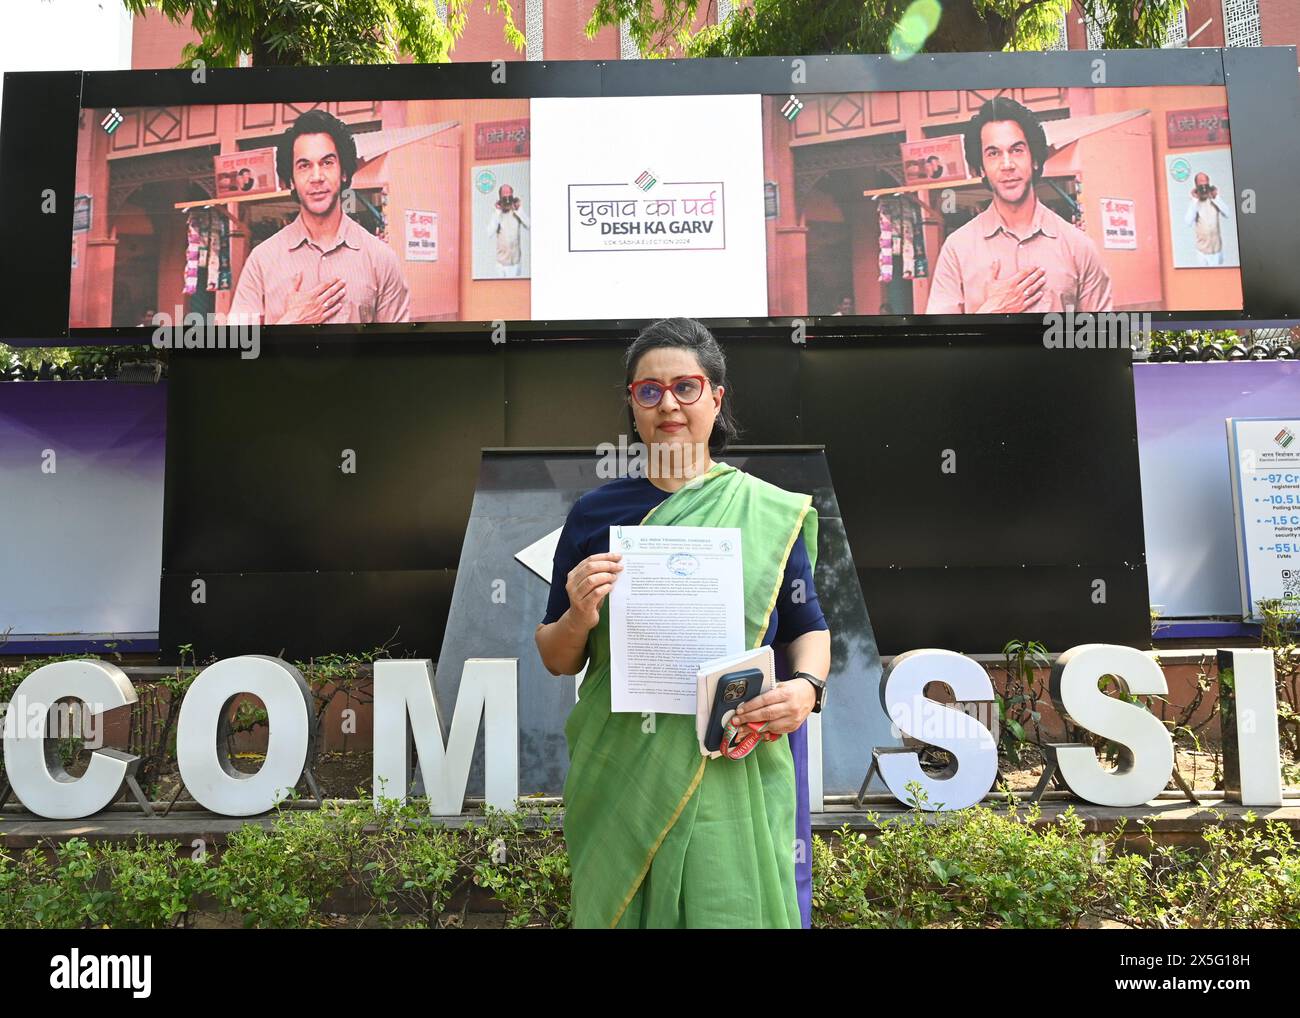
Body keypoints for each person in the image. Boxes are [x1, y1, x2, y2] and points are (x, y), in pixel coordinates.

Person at [534, 317, 832, 929]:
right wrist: (578, 613)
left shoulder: (764, 509)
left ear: (715, 398)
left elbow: (808, 627)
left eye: (685, 387)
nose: (667, 403)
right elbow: (556, 654)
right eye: (649, 390)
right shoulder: (595, 514)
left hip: (733, 754)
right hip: (625, 763)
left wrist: (806, 689)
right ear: (633, 405)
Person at [925, 97, 1113, 314]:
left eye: (1016, 150)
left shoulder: (1079, 248)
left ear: (1034, 159)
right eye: (993, 153)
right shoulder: (957, 249)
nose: (1007, 165)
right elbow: (939, 343)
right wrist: (991, 313)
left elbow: (1101, 339)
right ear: (981, 168)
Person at [230, 109, 410, 325]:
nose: (317, 177)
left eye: (327, 163)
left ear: (343, 172)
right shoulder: (261, 261)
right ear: (291, 180)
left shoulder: (381, 259)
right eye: (304, 165)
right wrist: (289, 324)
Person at [1183, 172, 1232, 267]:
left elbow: (1227, 214)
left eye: (1206, 185)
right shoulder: (1194, 203)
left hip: (1217, 251)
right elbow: (1188, 222)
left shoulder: (1214, 200)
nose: (1204, 188)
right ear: (1196, 186)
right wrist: (1195, 200)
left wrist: (1216, 197)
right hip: (1202, 253)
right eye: (1201, 186)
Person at [486, 184, 529, 277]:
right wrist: (498, 212)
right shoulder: (497, 214)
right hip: (501, 265)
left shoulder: (517, 212)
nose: (507, 198)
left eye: (509, 195)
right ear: (500, 197)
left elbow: (529, 226)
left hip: (515, 263)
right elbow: (489, 232)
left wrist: (519, 211)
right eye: (504, 195)